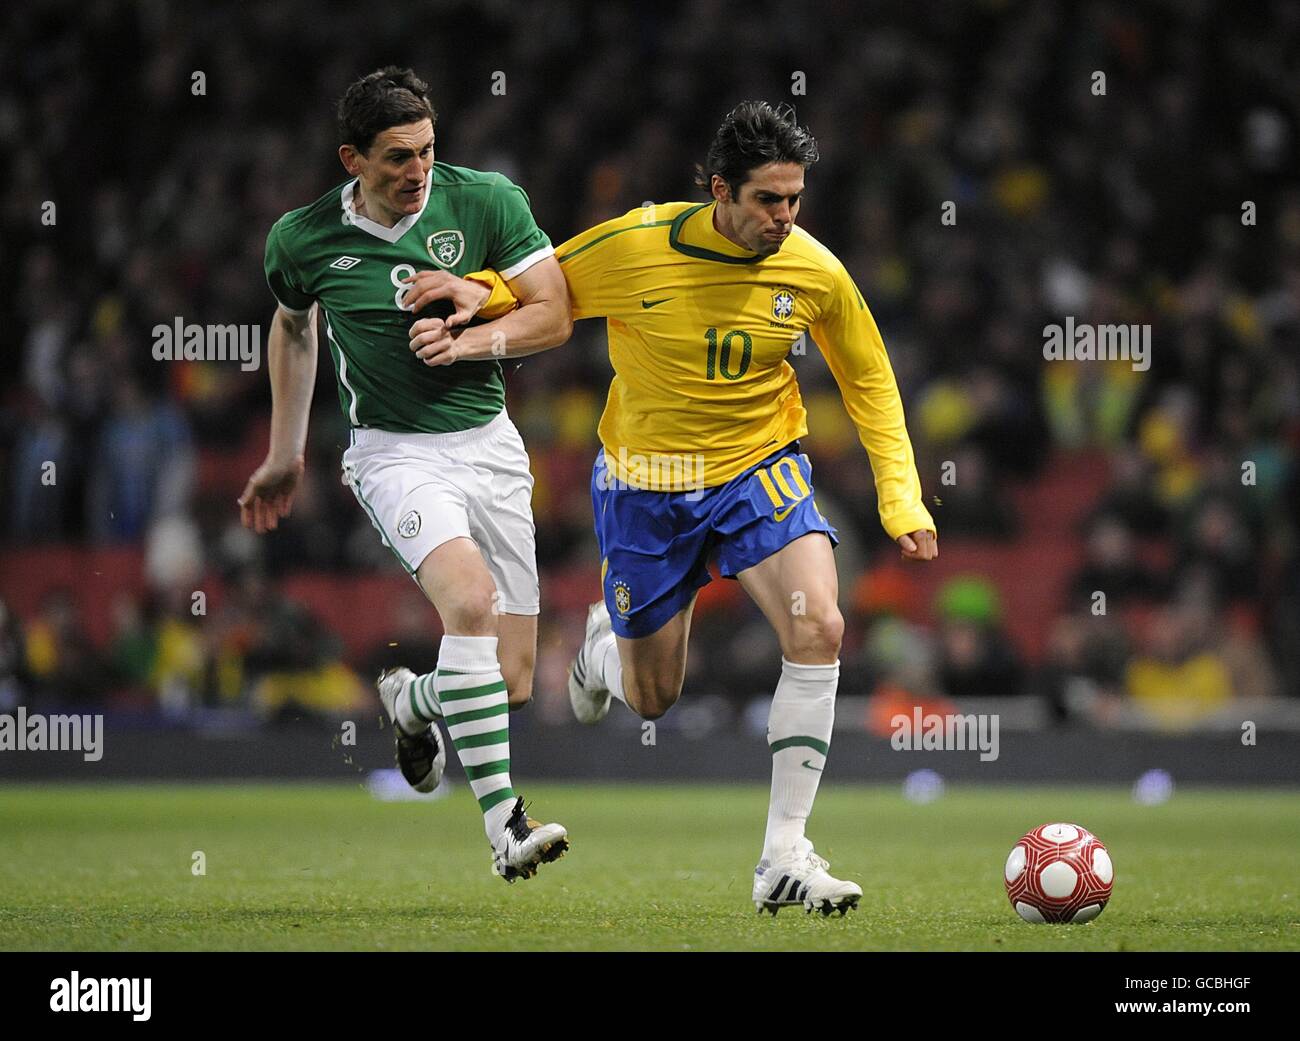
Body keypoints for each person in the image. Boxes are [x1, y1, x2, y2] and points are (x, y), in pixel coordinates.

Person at [409, 101, 938, 914]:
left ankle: (783, 856)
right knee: (654, 696)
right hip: (645, 486)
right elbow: (533, 287)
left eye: (796, 200)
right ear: (719, 190)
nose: (784, 219)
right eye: (768, 200)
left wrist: (901, 498)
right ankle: (598, 652)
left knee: (821, 626)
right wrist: (470, 294)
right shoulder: (637, 244)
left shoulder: (815, 272)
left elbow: (869, 379)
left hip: (758, 469)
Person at [238, 67, 573, 883]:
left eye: (426, 150)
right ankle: (505, 828)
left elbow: (554, 313)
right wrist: (286, 451)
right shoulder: (303, 238)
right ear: (351, 158)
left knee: (512, 682)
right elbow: (292, 327)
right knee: (468, 601)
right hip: (394, 452)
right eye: (395, 157)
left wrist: (470, 340)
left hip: (490, 445)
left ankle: (412, 701)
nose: (417, 171)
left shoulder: (488, 199)